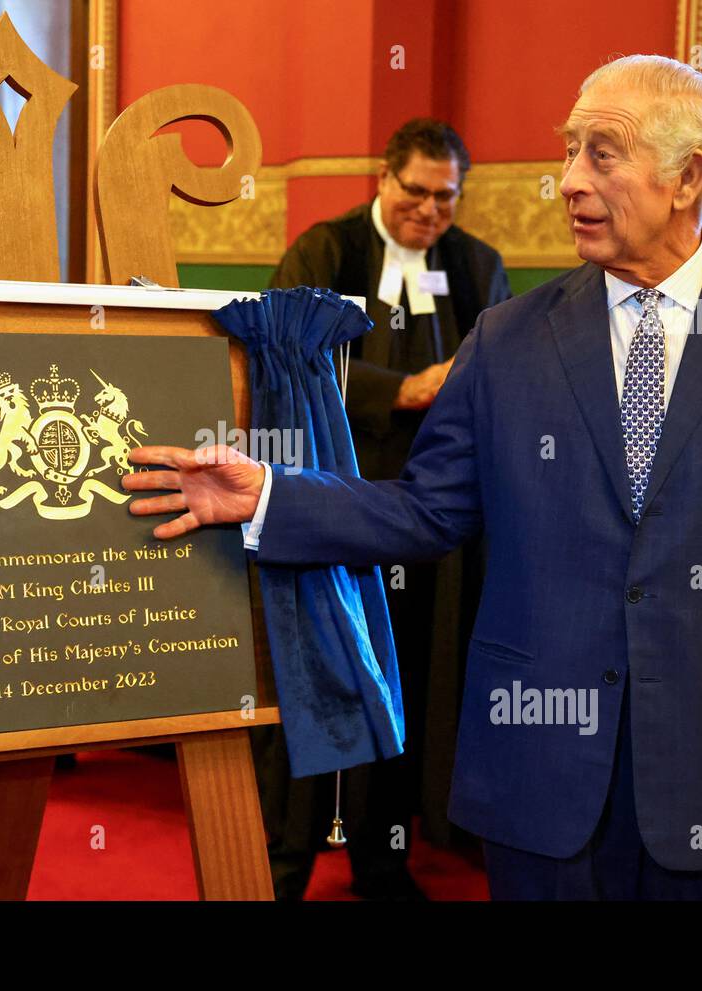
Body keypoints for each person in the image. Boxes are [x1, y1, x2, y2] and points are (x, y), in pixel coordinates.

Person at [123, 54, 702, 900]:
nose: (568, 181)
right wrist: (269, 496)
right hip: (542, 779)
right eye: (569, 150)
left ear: (687, 175)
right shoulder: (507, 339)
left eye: (602, 153)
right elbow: (425, 510)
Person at [256, 118, 510, 900]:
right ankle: (282, 863)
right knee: (317, 673)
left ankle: (383, 857)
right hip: (332, 501)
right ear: (382, 178)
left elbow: (500, 365)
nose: (430, 211)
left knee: (408, 682)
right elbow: (281, 352)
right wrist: (396, 389)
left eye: (446, 197)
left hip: (429, 515)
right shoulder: (326, 252)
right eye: (417, 192)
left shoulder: (473, 265)